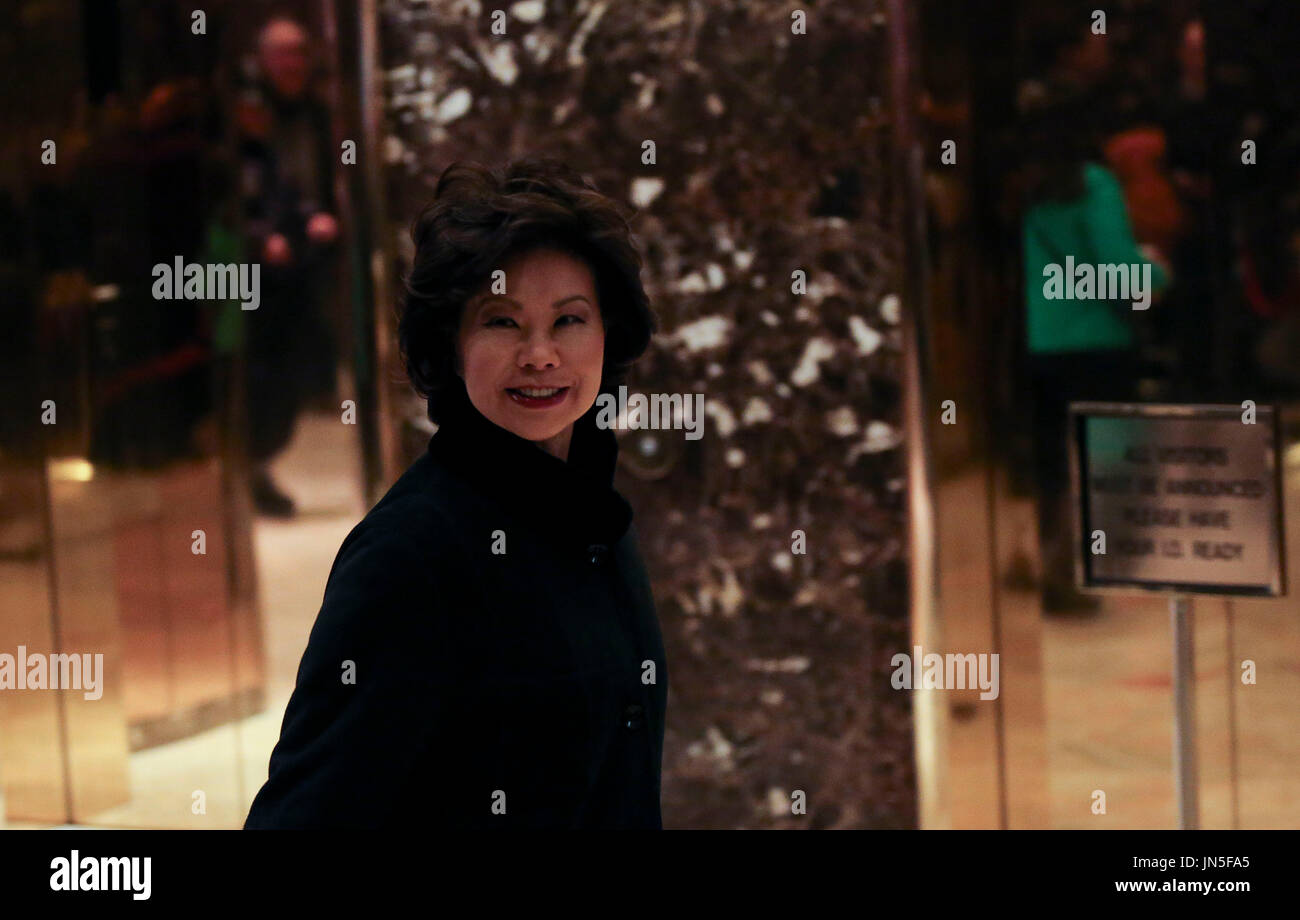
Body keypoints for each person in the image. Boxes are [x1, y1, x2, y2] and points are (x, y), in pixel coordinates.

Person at [244, 156, 667, 828]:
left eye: (569, 320)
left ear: (608, 334)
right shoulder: (412, 553)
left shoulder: (595, 516)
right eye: (502, 321)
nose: (540, 354)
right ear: (452, 342)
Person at [1020, 88, 1170, 612]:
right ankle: (1082, 567)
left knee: (1044, 462)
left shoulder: (1010, 190)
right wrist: (1156, 271)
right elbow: (1114, 268)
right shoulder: (1091, 184)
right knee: (1099, 458)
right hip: (1092, 341)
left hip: (1029, 339)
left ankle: (1037, 561)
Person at [237, 15, 341, 516]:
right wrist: (260, 236)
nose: (292, 63)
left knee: (295, 371)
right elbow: (234, 186)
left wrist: (324, 219)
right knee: (259, 372)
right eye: (282, 53)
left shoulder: (319, 116)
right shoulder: (246, 115)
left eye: (300, 52)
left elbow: (324, 182)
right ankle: (248, 469)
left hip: (307, 259)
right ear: (263, 60)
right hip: (250, 268)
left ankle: (256, 464)